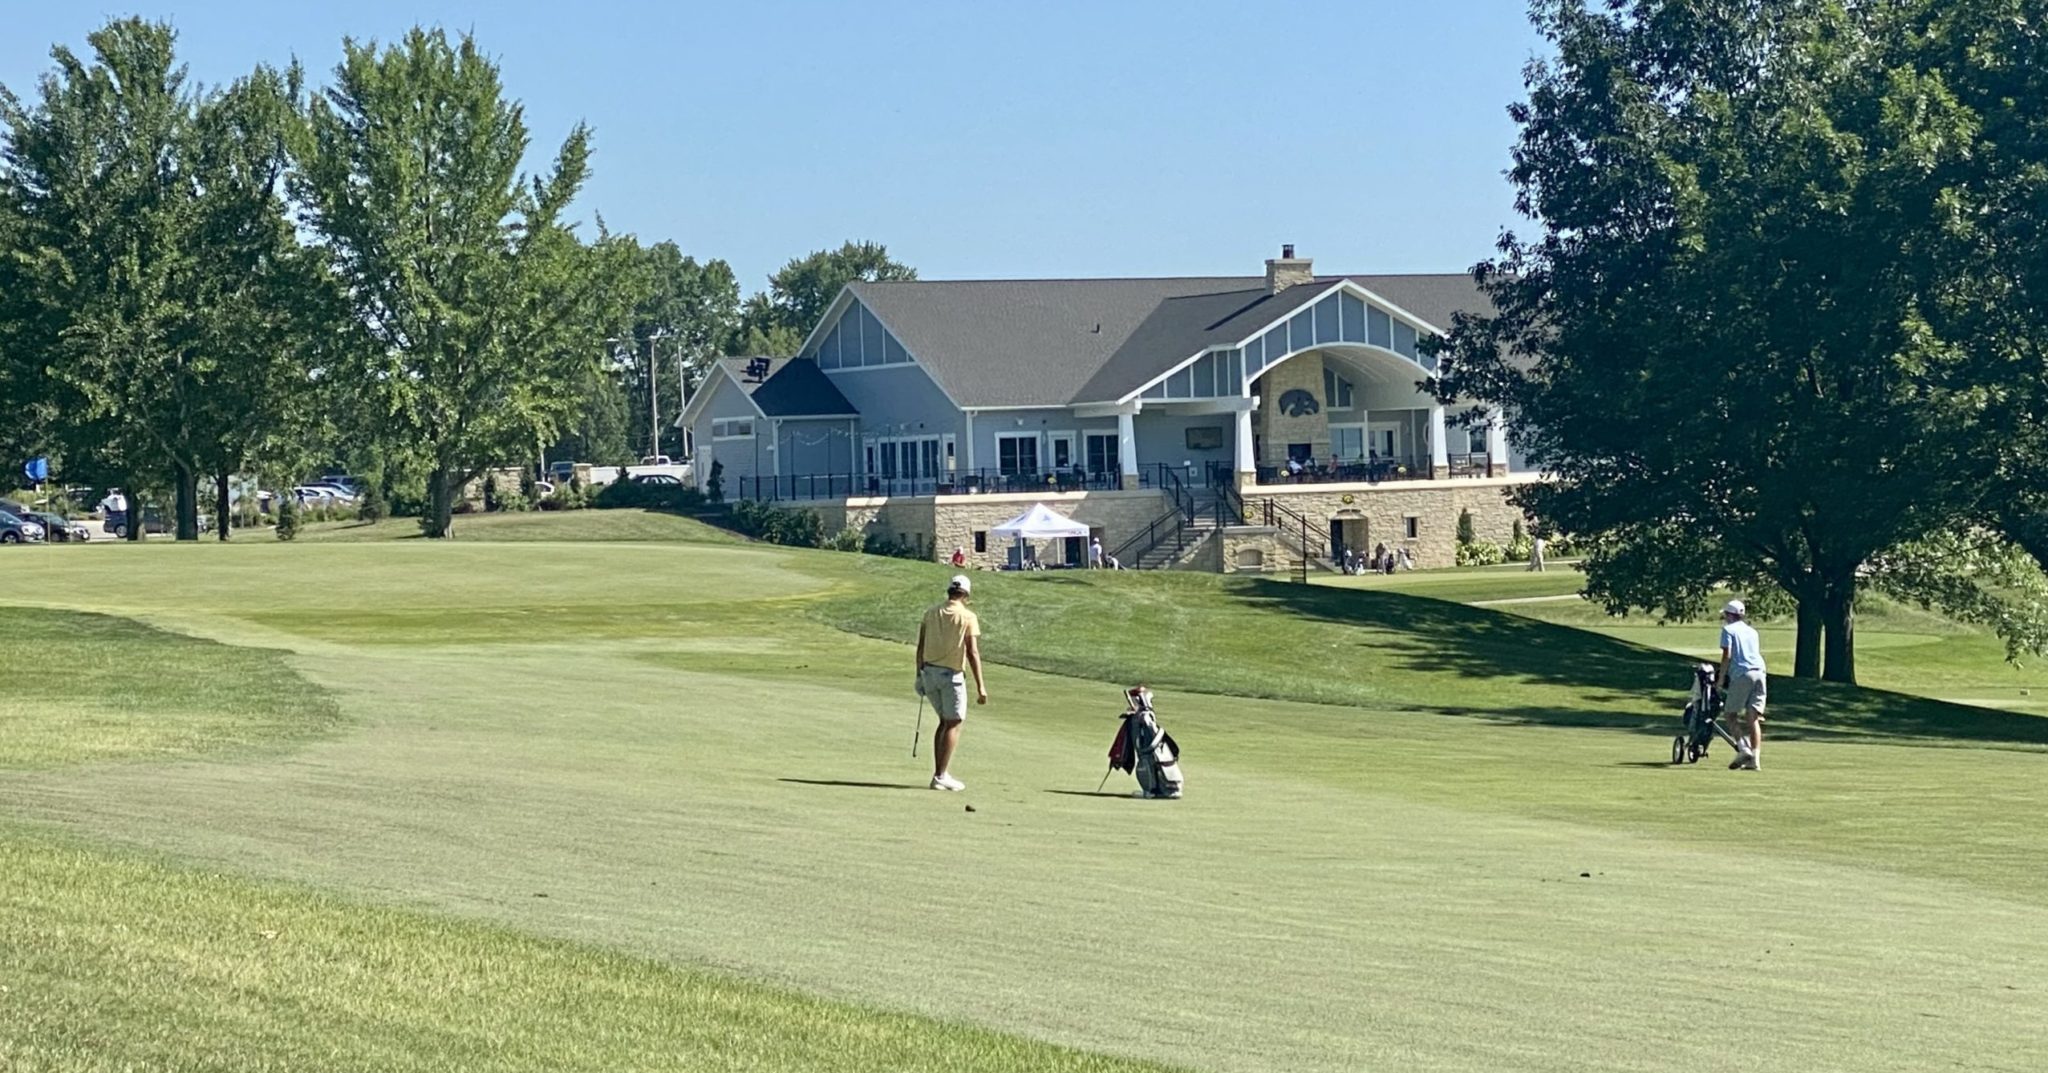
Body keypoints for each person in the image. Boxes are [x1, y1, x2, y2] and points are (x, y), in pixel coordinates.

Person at [917, 574, 988, 791]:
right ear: (965, 594)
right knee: (954, 722)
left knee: (945, 722)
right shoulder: (967, 617)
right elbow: (972, 653)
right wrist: (981, 686)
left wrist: (919, 675)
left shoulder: (931, 613)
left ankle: (940, 773)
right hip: (951, 677)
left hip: (928, 673)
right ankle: (940, 776)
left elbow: (920, 647)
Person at [1718, 599, 1766, 771]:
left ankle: (1744, 749)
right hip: (1760, 672)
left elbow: (1727, 656)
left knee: (1730, 715)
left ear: (1729, 615)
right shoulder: (1752, 631)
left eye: (1725, 614)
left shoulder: (1728, 630)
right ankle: (1755, 760)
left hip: (1742, 674)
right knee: (1752, 718)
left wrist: (1721, 679)